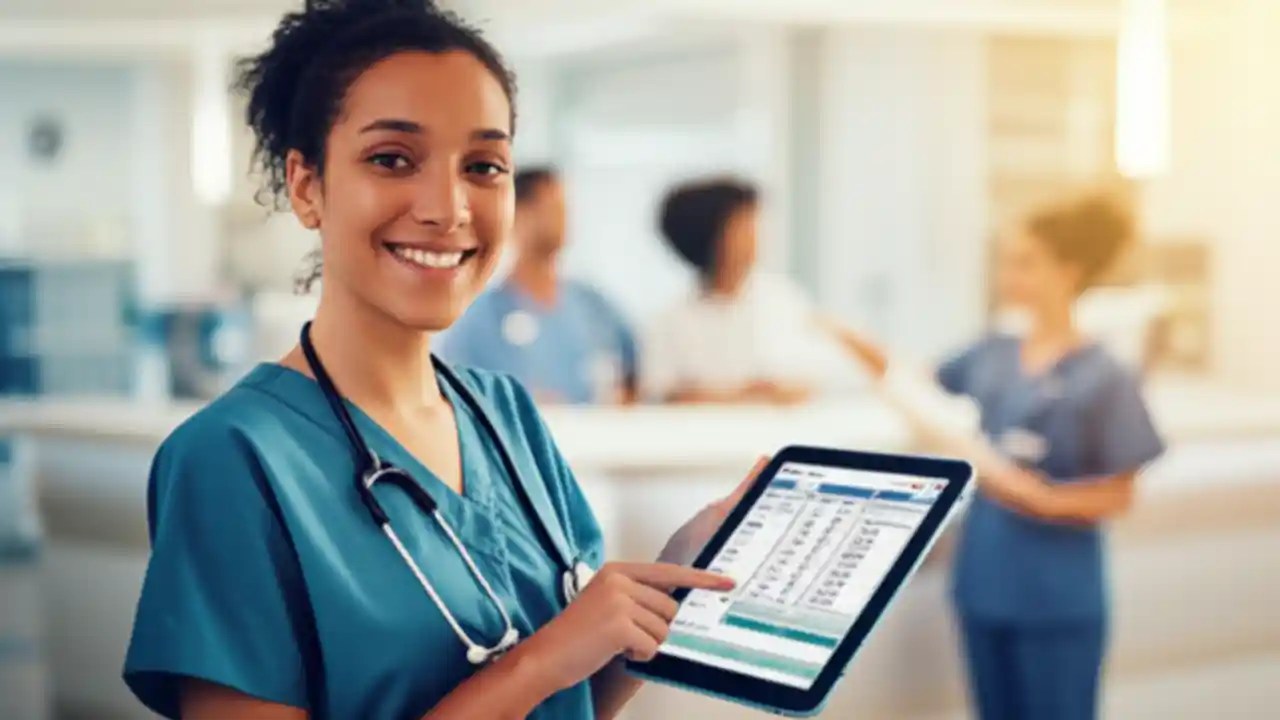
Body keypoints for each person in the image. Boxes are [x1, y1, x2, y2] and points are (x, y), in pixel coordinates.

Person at [120, 3, 758, 718]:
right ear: (307, 187)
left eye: (483, 166)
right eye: (392, 159)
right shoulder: (232, 460)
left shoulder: (504, 416)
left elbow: (568, 703)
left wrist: (670, 581)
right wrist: (543, 660)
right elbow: (544, 672)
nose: (449, 207)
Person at [826, 192, 1166, 720]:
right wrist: (848, 341)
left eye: (1025, 262)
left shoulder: (1105, 374)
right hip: (984, 584)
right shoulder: (993, 353)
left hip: (1056, 596)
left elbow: (1120, 492)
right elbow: (917, 384)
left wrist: (1036, 497)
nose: (1009, 274)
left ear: (1068, 271)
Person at [642, 177, 856, 405]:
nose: (755, 236)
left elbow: (815, 378)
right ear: (711, 235)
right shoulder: (671, 320)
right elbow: (663, 394)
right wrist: (747, 394)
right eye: (742, 226)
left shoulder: (784, 300)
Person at [437, 167, 638, 404]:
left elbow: (633, 375)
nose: (563, 220)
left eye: (564, 209)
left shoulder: (593, 306)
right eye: (551, 209)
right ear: (516, 215)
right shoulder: (480, 319)